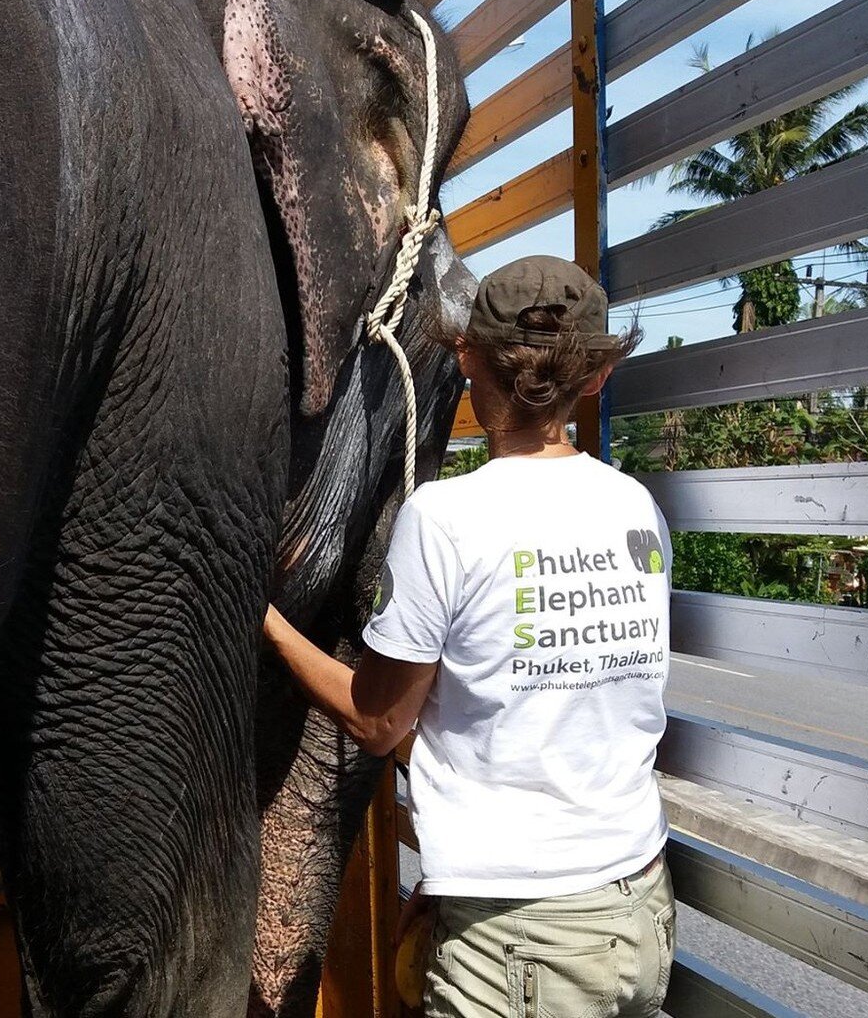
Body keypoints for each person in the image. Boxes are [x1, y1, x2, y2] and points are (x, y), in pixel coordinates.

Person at [262, 255, 675, 1017]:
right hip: (640, 913)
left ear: (466, 357)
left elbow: (378, 719)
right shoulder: (637, 509)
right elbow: (566, 711)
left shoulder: (447, 519)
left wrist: (264, 618)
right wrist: (453, 880)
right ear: (595, 378)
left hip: (520, 942)